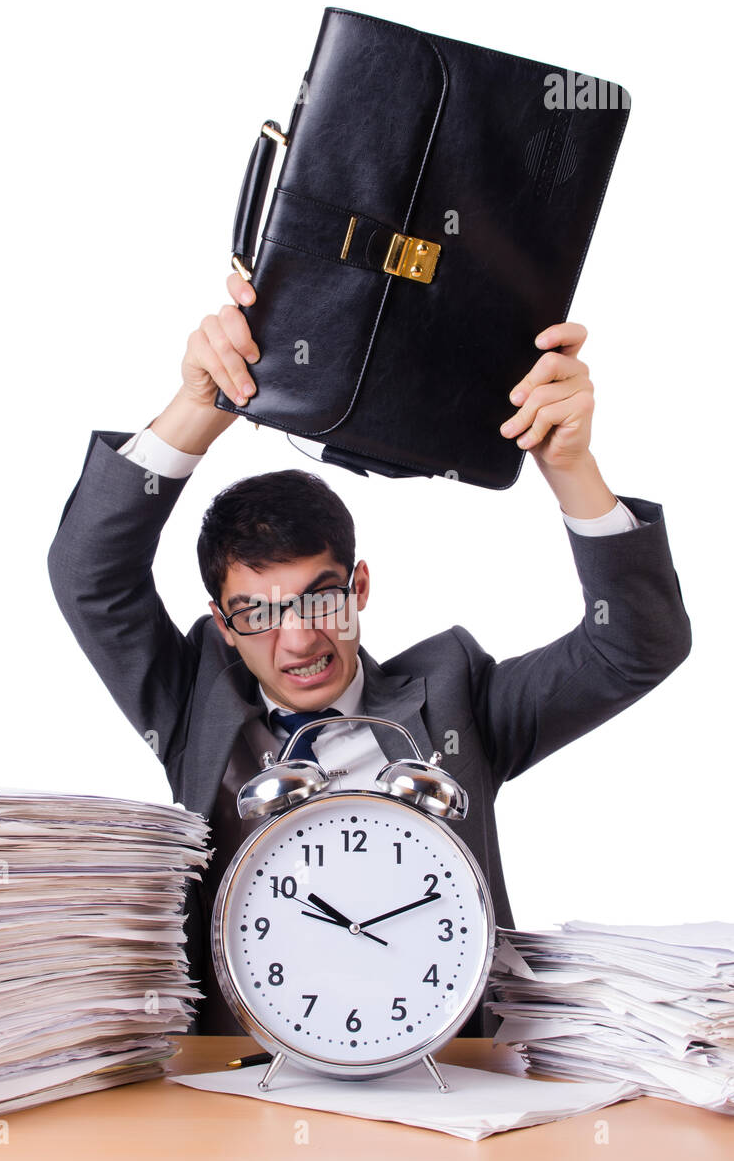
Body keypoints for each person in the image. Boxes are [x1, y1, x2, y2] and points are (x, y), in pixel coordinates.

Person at [47, 270, 692, 1037]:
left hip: (444, 1078)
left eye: (320, 598)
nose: (298, 639)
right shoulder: (192, 704)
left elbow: (634, 646)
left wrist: (570, 469)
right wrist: (198, 405)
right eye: (257, 613)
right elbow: (89, 574)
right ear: (221, 623)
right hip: (233, 1088)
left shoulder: (456, 700)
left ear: (357, 587)